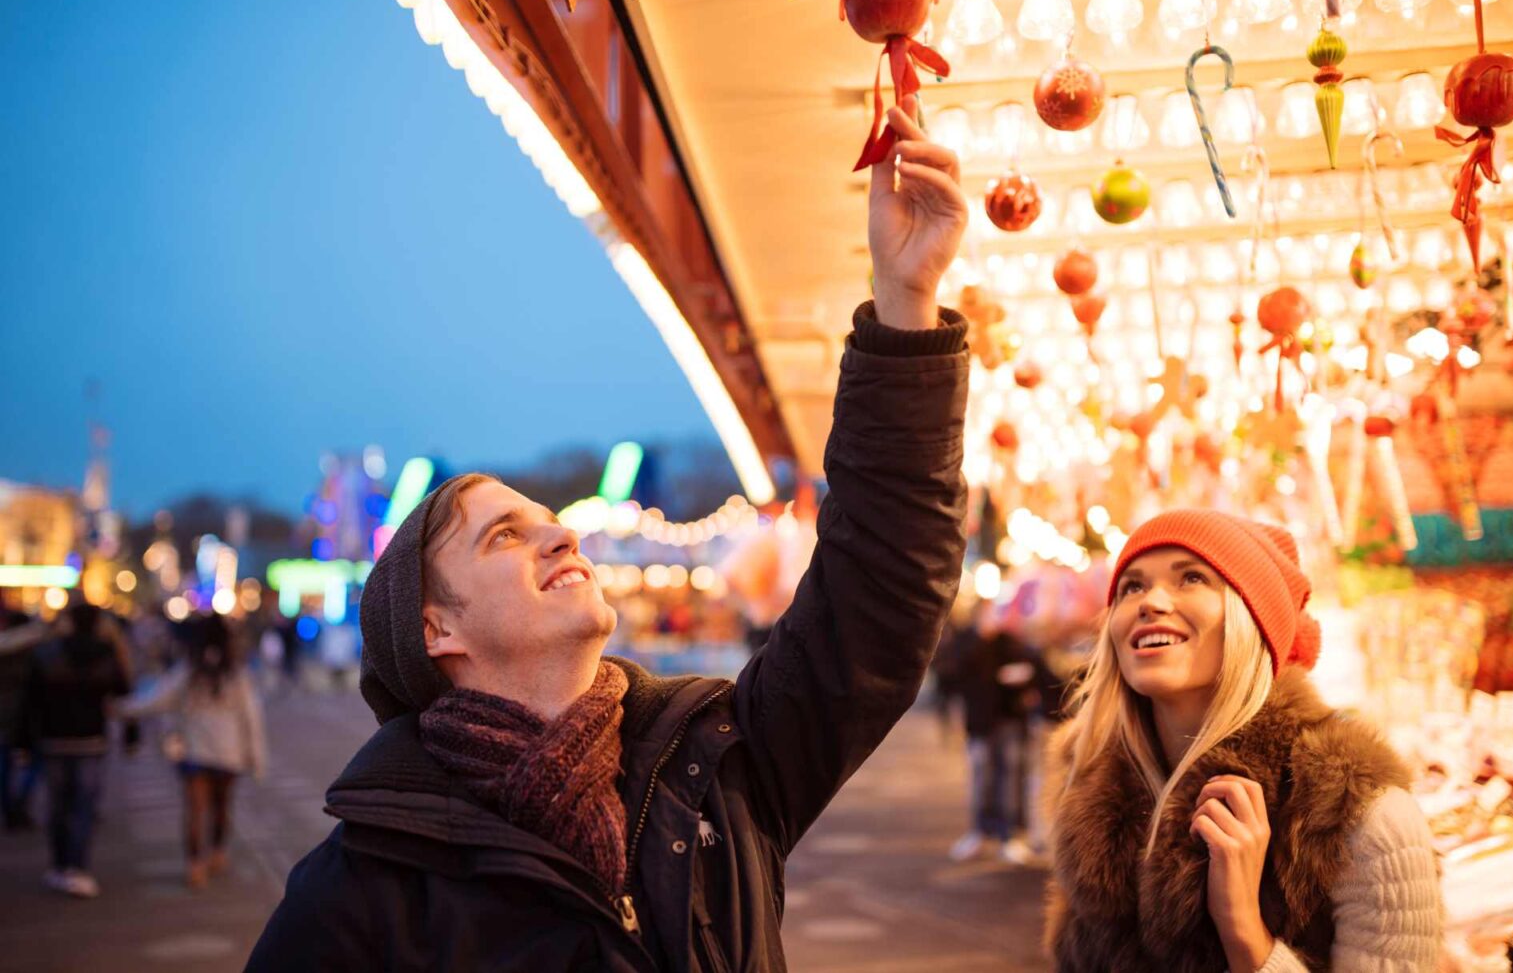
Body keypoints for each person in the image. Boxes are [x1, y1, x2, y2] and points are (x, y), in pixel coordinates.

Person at [245, 96, 970, 973]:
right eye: (504, 537)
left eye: (550, 523)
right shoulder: (363, 892)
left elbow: (881, 590)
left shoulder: (714, 766)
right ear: (436, 628)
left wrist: (905, 304)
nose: (561, 539)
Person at [1044, 509, 1441, 972]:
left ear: (1251, 618)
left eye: (1192, 577)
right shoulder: (1088, 791)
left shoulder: (1357, 812)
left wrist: (1243, 929)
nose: (1150, 601)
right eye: (1132, 586)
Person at [117, 614, 268, 887]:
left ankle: (195, 864)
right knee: (222, 806)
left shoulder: (188, 671)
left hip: (195, 752)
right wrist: (256, 758)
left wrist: (123, 708)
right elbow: (251, 717)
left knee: (196, 810)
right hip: (229, 753)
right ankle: (217, 852)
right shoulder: (237, 674)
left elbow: (158, 699)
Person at [24, 601, 130, 898]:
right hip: (91, 739)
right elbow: (122, 690)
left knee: (58, 806)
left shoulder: (47, 653)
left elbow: (30, 700)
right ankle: (78, 868)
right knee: (84, 807)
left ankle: (60, 866)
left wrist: (24, 741)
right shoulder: (105, 652)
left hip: (54, 739)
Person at [948, 599, 1035, 865]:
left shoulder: (1008, 640)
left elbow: (1026, 666)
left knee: (1010, 777)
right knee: (980, 777)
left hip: (1008, 719)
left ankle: (1011, 835)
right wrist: (981, 640)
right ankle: (980, 832)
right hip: (979, 721)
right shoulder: (966, 640)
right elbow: (955, 673)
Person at [0, 610, 50, 830]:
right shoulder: (35, 650)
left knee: (5, 764)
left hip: (8, 715)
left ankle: (10, 808)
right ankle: (19, 804)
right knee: (36, 761)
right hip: (28, 715)